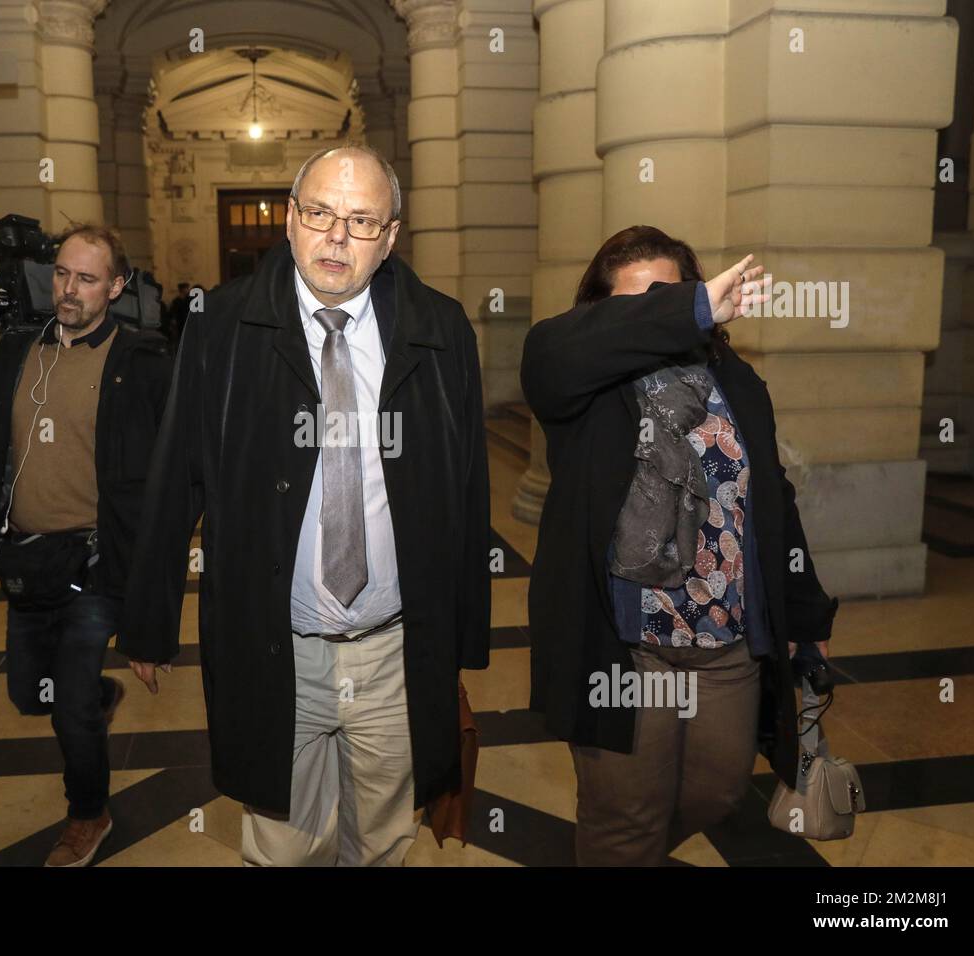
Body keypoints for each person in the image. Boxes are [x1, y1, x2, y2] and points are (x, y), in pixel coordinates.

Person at [118, 143, 491, 866]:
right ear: (289, 219)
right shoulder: (221, 325)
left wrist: (463, 636)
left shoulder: (440, 329)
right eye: (320, 213)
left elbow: (468, 487)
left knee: (382, 841)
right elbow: (175, 477)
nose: (337, 237)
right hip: (274, 644)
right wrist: (148, 622)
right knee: (284, 848)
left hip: (394, 648)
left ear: (390, 237)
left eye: (361, 220)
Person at [520, 225, 837, 866]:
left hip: (725, 641)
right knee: (625, 815)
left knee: (716, 794)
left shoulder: (735, 382)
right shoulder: (580, 384)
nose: (654, 313)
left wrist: (805, 617)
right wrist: (679, 309)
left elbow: (772, 501)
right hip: (626, 647)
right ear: (600, 313)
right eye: (635, 305)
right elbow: (551, 352)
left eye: (669, 296)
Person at [0, 224, 172, 867]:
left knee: (67, 708)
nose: (69, 288)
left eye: (87, 278)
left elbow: (172, 477)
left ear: (115, 287)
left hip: (94, 564)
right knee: (28, 694)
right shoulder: (19, 352)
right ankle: (96, 699)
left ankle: (88, 815)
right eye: (62, 273)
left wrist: (150, 612)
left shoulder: (140, 363)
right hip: (27, 561)